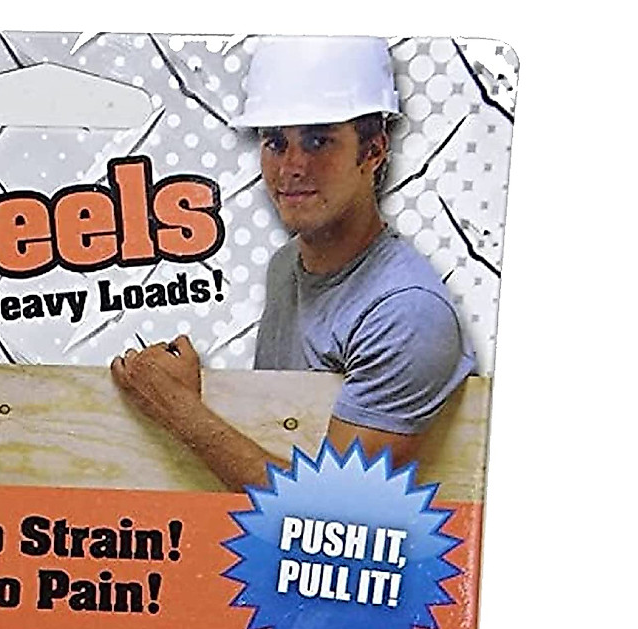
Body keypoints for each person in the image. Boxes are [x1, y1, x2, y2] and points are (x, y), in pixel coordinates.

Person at [111, 36, 474, 491]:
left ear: (373, 151)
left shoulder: (406, 313)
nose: (291, 167)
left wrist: (176, 407)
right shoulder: (286, 268)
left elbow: (332, 507)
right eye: (276, 142)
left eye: (319, 140)